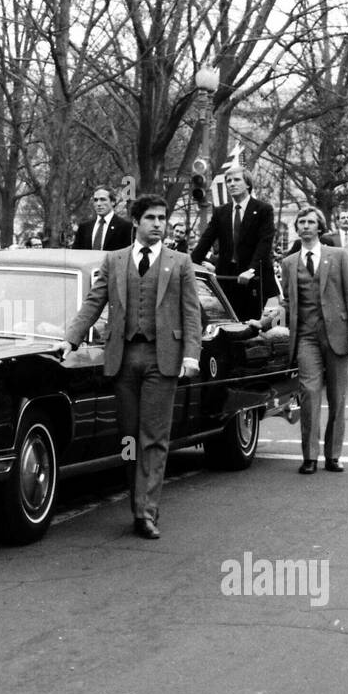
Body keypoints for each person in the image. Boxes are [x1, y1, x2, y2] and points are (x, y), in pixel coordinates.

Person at [58, 194, 202, 539]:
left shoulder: (179, 262)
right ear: (136, 221)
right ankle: (136, 498)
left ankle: (145, 511)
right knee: (128, 436)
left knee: (154, 437)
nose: (158, 224)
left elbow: (191, 312)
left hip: (161, 358)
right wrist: (71, 339)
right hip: (123, 359)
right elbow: (94, 301)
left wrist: (191, 354)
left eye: (162, 218)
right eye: (151, 217)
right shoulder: (115, 260)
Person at [264, 205, 348, 475]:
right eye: (301, 223)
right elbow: (286, 301)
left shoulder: (339, 256)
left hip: (338, 334)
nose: (305, 226)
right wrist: (265, 322)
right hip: (305, 335)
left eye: (310, 222)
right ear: (296, 228)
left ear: (320, 227)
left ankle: (333, 455)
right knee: (309, 394)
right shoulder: (289, 263)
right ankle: (309, 456)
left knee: (337, 397)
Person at [190, 159, 278, 321]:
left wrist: (251, 271)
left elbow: (264, 243)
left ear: (248, 184)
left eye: (236, 180)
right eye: (228, 181)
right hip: (227, 277)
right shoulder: (221, 212)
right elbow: (206, 240)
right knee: (226, 324)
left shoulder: (263, 209)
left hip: (253, 278)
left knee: (249, 326)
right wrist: (188, 263)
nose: (231, 184)